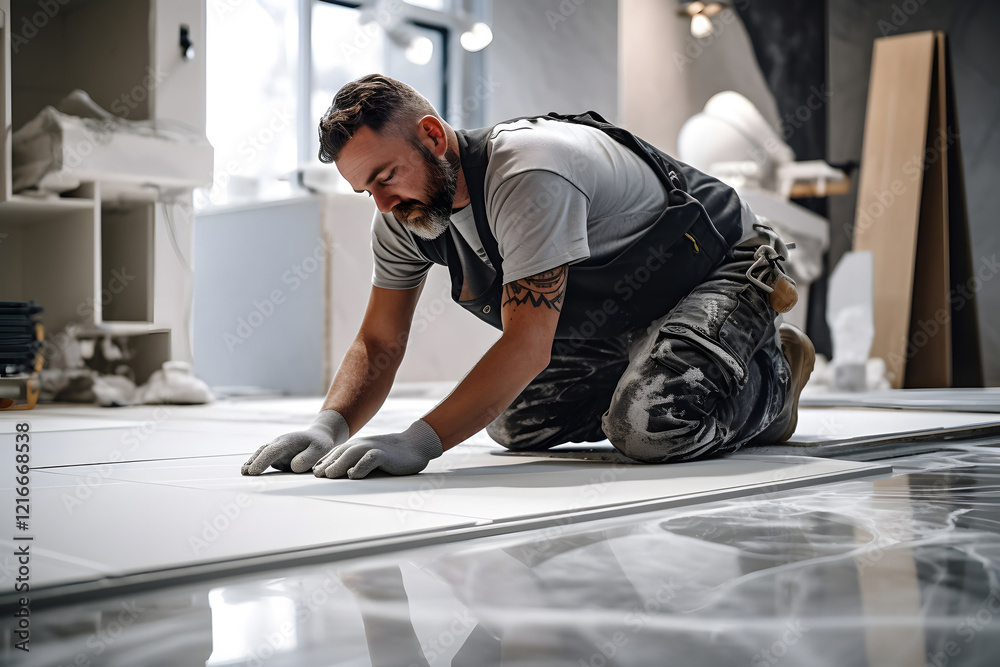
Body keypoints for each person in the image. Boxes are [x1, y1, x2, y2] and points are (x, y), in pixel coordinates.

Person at [241, 73, 815, 481]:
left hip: (719, 264)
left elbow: (527, 344)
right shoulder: (403, 219)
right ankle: (662, 360)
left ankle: (774, 376)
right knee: (516, 423)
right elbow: (379, 340)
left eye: (388, 175)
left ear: (434, 137)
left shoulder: (528, 172)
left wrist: (419, 442)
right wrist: (327, 427)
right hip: (628, 311)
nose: (384, 202)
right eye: (367, 189)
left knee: (650, 426)